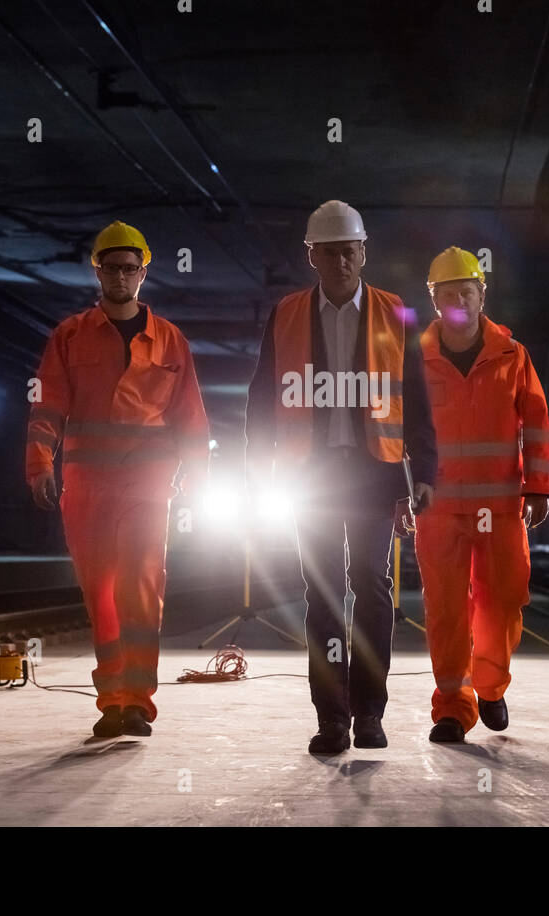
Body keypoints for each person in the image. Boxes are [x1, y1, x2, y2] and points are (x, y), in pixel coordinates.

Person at [245, 200, 437, 755]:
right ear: (311, 256)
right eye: (329, 253)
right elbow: (262, 400)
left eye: (349, 252)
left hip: (376, 472)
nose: (340, 263)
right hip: (312, 473)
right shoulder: (284, 315)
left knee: (373, 591)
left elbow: (419, 403)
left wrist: (422, 473)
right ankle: (332, 719)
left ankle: (369, 714)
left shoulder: (394, 312)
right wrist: (258, 470)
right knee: (324, 596)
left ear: (363, 252)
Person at [26, 220, 208, 738]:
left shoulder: (170, 341)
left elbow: (191, 419)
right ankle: (112, 700)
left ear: (143, 273)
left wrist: (197, 483)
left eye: (131, 268)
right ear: (98, 271)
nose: (122, 276)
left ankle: (138, 701)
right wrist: (39, 463)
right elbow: (46, 408)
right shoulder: (69, 337)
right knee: (101, 591)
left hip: (149, 484)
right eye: (112, 267)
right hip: (86, 484)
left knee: (142, 586)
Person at [414, 247, 549, 744]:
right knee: (447, 608)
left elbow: (536, 424)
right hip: (438, 507)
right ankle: (452, 706)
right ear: (434, 300)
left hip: (500, 505)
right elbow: (393, 426)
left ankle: (490, 687)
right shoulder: (415, 358)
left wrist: (539, 485)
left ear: (481, 294)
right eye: (446, 293)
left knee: (504, 599)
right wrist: (396, 492)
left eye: (465, 291)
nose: (457, 301)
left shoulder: (512, 355)